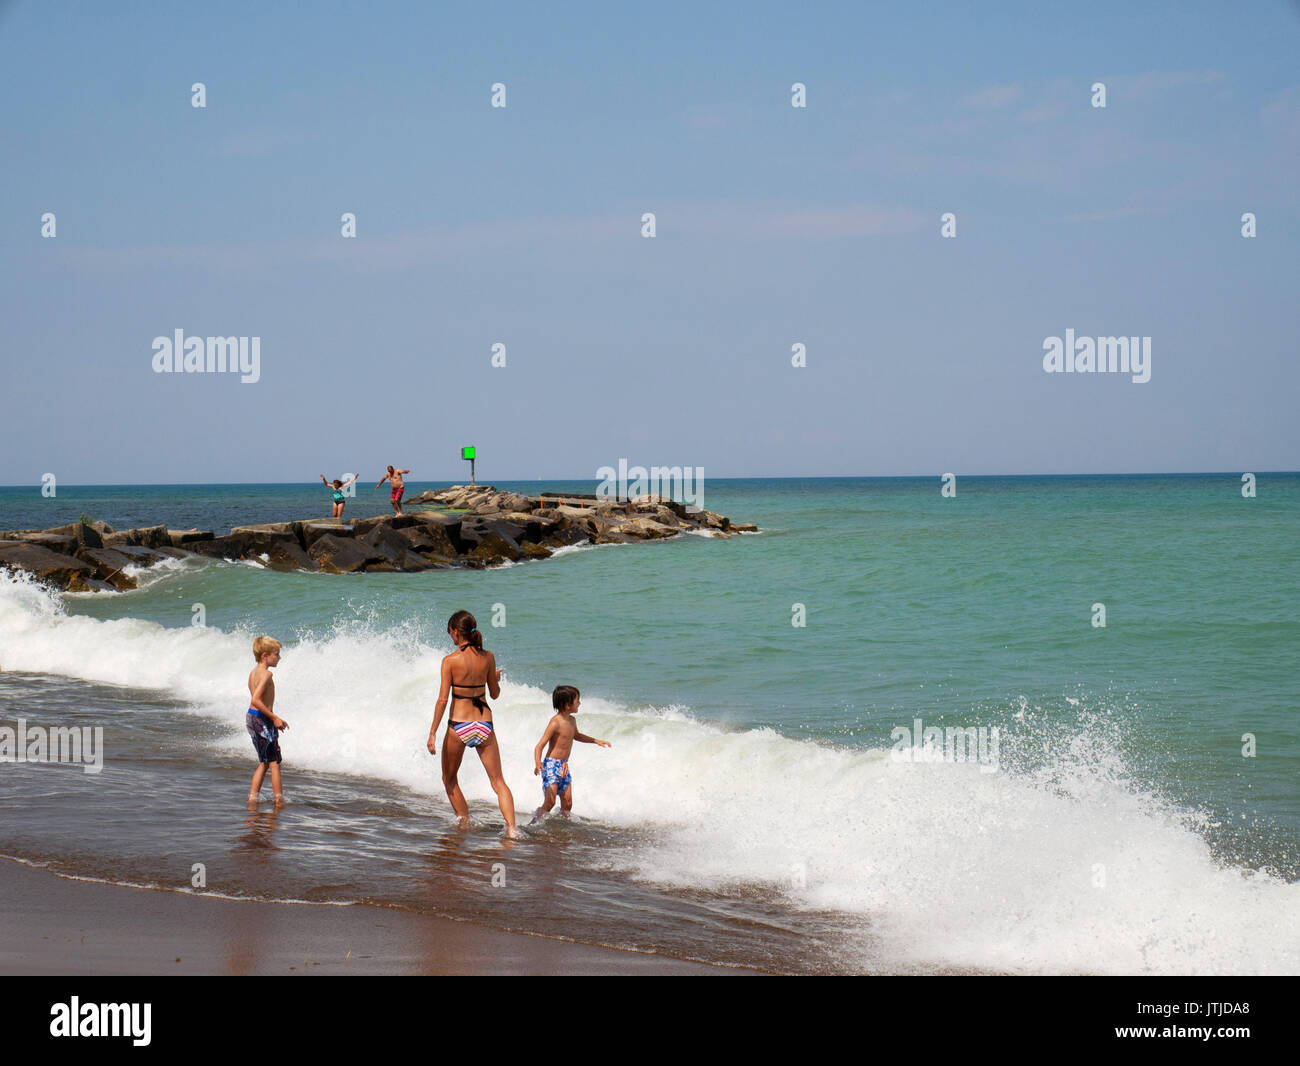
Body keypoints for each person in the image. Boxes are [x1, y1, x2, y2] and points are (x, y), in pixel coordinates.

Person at [427, 610, 520, 837]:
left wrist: (432, 733)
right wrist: (494, 679)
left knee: (449, 780)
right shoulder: (488, 657)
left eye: (450, 632)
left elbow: (442, 699)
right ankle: (512, 828)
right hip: (484, 725)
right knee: (498, 781)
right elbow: (495, 694)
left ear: (456, 632)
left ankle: (464, 823)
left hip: (459, 725)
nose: (450, 636)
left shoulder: (449, 661)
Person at [531, 685, 610, 822]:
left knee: (567, 804)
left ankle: (561, 826)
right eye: (577, 700)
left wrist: (595, 740)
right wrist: (538, 763)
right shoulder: (555, 722)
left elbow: (577, 736)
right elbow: (539, 746)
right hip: (550, 765)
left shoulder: (572, 720)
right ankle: (534, 822)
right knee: (550, 802)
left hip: (564, 766)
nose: (579, 703)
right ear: (567, 704)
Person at [246, 635, 289, 805]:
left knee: (264, 762)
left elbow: (256, 701)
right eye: (276, 654)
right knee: (274, 762)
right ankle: (279, 801)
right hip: (262, 720)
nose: (279, 657)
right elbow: (255, 700)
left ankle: (252, 797)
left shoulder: (253, 673)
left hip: (253, 718)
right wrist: (274, 717)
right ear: (265, 655)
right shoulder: (267, 674)